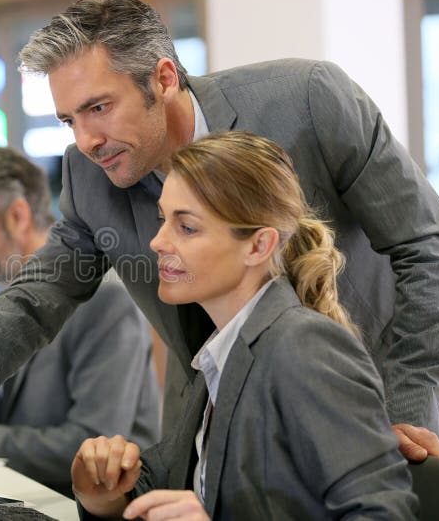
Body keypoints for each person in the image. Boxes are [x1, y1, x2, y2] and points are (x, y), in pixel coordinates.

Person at [0, 0, 439, 461]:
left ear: (164, 79)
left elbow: (426, 246)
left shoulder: (310, 99)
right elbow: (48, 284)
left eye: (98, 108)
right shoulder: (89, 175)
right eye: (68, 120)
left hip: (370, 402)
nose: (85, 141)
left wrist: (410, 401)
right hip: (215, 429)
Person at [72, 131, 417, 520]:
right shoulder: (226, 347)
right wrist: (104, 492)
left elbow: (382, 514)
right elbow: (182, 480)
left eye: (186, 227)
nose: (157, 242)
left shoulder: (305, 346)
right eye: (162, 220)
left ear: (258, 246)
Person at [0, 146, 160, 496]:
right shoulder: (10, 301)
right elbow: (12, 427)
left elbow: (89, 444)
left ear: (17, 216)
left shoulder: (105, 298)